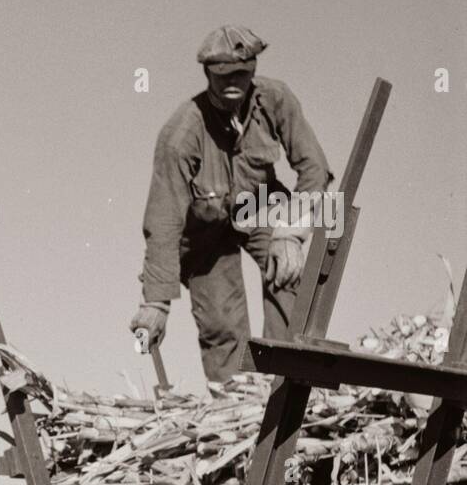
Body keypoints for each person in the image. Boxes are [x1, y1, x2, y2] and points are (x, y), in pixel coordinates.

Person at [129, 27, 332, 384]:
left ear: (253, 69)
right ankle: (239, 401)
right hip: (203, 232)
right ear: (207, 74)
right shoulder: (180, 136)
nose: (233, 83)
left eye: (242, 73)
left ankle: (284, 382)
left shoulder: (276, 99)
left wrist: (293, 231)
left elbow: (315, 168)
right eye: (223, 76)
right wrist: (156, 303)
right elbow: (163, 222)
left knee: (289, 273)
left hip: (260, 205)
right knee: (220, 326)